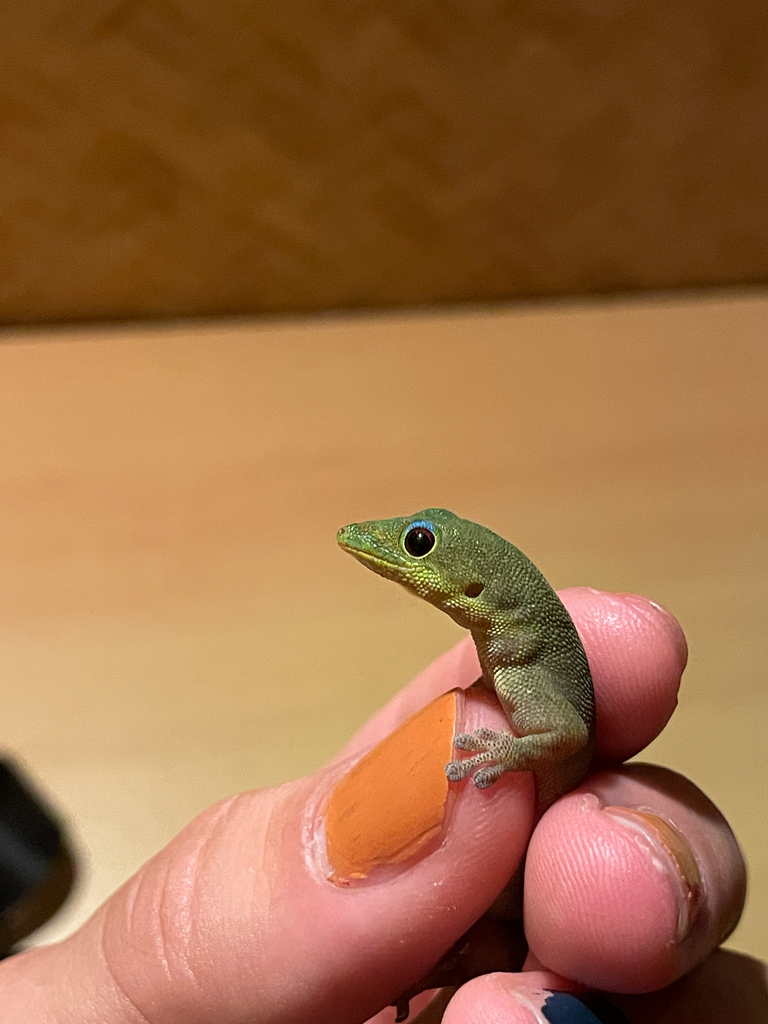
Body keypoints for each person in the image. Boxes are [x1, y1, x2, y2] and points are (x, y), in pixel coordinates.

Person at [0, 588, 759, 1023]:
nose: (392, 549)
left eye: (420, 543)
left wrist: (506, 754)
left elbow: (558, 732)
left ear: (478, 587)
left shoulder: (522, 668)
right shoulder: (510, 663)